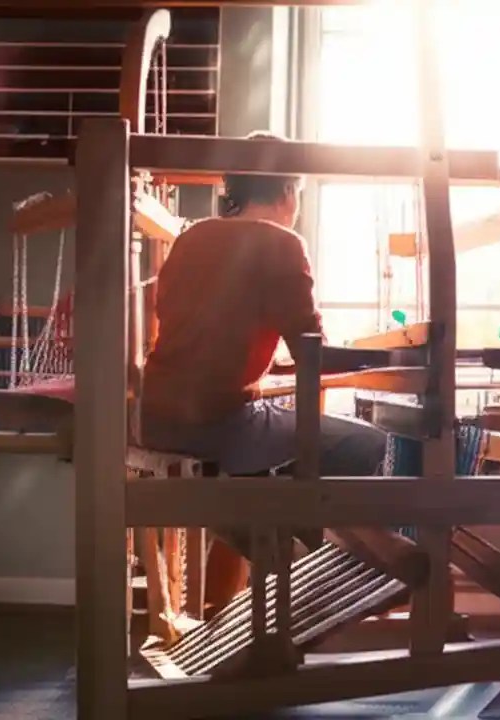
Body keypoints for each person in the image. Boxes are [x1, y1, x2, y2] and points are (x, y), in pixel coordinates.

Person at [140, 130, 389, 554]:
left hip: (155, 415)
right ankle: (298, 544)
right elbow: (314, 354)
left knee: (271, 443)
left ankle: (262, 525)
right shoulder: (283, 245)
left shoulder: (190, 238)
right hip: (218, 425)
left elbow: (191, 328)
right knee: (367, 443)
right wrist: (389, 355)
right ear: (289, 192)